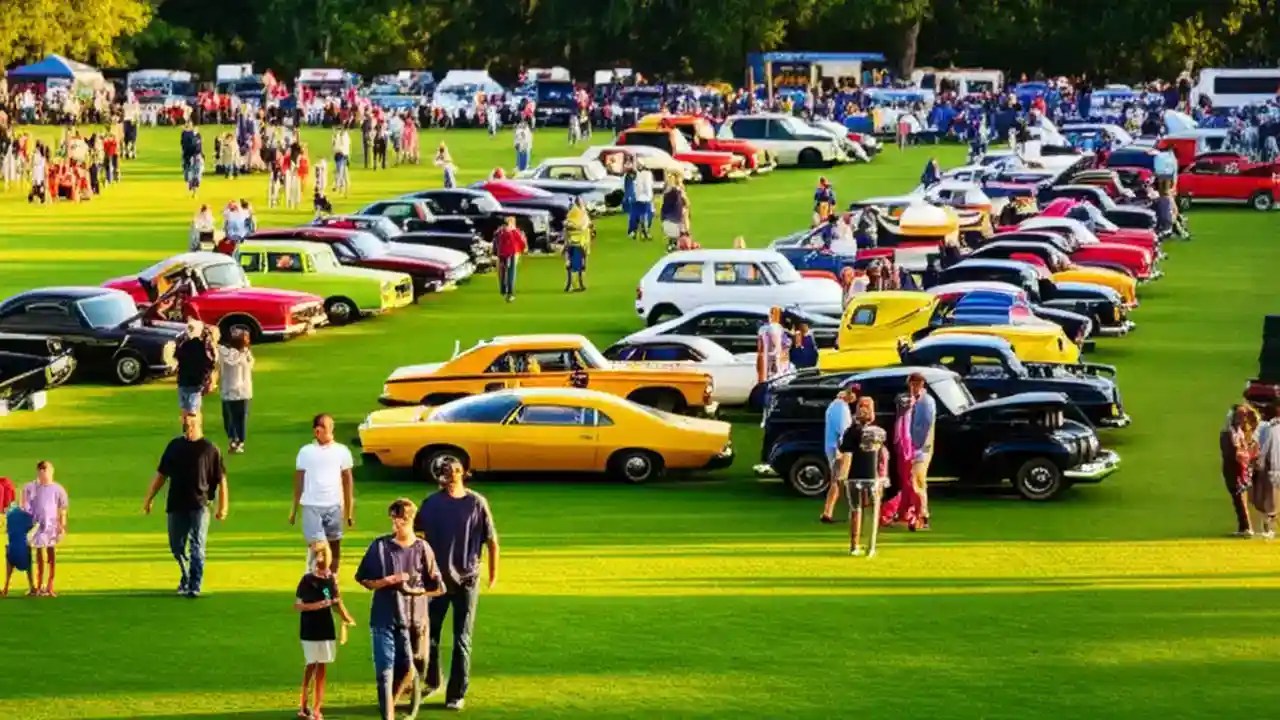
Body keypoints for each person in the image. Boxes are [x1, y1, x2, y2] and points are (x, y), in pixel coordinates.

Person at [414, 459, 499, 712]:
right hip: (436, 582)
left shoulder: (476, 504)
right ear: (441, 477)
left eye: (455, 473)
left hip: (467, 581)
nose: (451, 478)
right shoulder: (431, 504)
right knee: (429, 636)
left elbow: (492, 541)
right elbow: (417, 539)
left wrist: (492, 575)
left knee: (462, 639)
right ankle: (433, 681)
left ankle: (456, 694)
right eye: (446, 474)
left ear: (463, 474)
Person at [355, 499, 444, 720]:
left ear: (410, 520)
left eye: (400, 520)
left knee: (412, 668)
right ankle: (389, 713)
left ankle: (400, 707)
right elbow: (364, 579)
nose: (395, 525)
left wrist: (414, 591)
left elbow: (438, 588)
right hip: (384, 617)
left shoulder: (423, 549)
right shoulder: (380, 547)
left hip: (415, 619)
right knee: (385, 671)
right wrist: (387, 581)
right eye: (393, 520)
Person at [143, 413, 229, 598]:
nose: (187, 422)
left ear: (199, 422)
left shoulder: (210, 449)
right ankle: (186, 575)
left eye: (191, 419)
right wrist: (149, 498)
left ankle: (194, 585)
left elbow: (221, 480)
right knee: (176, 545)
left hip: (200, 504)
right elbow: (161, 475)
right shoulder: (174, 447)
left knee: (197, 545)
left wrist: (223, 506)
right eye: (185, 419)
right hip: (176, 503)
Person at [295, 540, 356, 720]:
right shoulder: (306, 580)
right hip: (309, 629)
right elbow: (298, 606)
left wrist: (346, 618)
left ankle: (316, 708)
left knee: (322, 668)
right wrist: (318, 605)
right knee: (310, 666)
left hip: (326, 628)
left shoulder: (329, 580)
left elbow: (335, 601)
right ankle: (303, 705)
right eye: (319, 556)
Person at [291, 413, 356, 572]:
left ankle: (332, 581)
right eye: (327, 428)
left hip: (334, 506)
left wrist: (349, 511)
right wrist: (294, 510)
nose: (331, 432)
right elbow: (299, 481)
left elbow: (347, 481)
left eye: (332, 428)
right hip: (312, 506)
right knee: (318, 547)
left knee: (334, 544)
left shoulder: (342, 451)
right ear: (317, 431)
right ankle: (313, 578)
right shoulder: (306, 452)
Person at [837, 396, 889, 556]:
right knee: (874, 510)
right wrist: (884, 475)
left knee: (855, 509)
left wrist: (841, 476)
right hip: (873, 476)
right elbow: (883, 455)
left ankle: (854, 545)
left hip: (854, 476)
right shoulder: (879, 432)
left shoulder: (851, 432)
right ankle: (871, 547)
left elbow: (846, 454)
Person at [21, 461, 68, 597]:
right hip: (38, 527)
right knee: (40, 556)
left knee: (51, 556)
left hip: (52, 526)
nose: (43, 475)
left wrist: (62, 525)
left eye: (45, 471)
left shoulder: (58, 489)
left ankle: (50, 586)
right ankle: (39, 585)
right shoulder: (32, 487)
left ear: (51, 472)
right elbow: (26, 505)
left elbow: (62, 509)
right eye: (40, 472)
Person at [880, 393, 923, 530]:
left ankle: (905, 514)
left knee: (908, 486)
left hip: (906, 455)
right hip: (906, 455)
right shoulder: (904, 420)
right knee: (909, 486)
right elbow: (901, 440)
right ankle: (908, 515)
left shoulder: (903, 419)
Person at [1222, 404, 1260, 537]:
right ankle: (1243, 527)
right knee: (1239, 499)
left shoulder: (1232, 433)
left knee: (1239, 499)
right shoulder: (1238, 432)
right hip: (1239, 469)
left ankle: (1246, 528)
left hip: (1236, 470)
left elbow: (1234, 453)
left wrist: (1244, 456)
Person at [819, 388, 855, 523]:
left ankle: (829, 512)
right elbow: (843, 431)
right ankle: (829, 512)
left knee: (838, 481)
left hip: (832, 447)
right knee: (839, 480)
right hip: (839, 449)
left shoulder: (834, 405)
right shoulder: (841, 408)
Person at [217, 328, 254, 454]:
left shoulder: (244, 353)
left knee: (237, 418)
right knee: (233, 418)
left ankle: (237, 441)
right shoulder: (229, 353)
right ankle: (235, 440)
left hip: (238, 391)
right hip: (233, 391)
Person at [907, 372, 936, 530]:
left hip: (921, 449)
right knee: (917, 482)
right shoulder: (916, 401)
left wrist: (914, 446)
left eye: (916, 384)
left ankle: (922, 516)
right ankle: (919, 514)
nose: (913, 387)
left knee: (917, 482)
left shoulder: (926, 403)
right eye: (911, 384)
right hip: (917, 449)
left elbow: (923, 427)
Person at [175, 319, 216, 418]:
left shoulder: (182, 344)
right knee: (193, 411)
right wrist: (208, 378)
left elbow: (176, 357)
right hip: (196, 382)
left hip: (183, 380)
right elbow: (210, 362)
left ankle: (187, 431)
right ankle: (193, 432)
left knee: (185, 409)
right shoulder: (203, 346)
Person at [1250, 404, 1280, 538]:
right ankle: (1271, 524)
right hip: (1273, 468)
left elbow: (1265, 447)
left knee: (1269, 501)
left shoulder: (1270, 429)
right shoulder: (1269, 428)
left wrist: (1259, 463)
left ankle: (1269, 528)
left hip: (1273, 469)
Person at [3, 493, 35, 597]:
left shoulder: (10, 514)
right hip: (23, 553)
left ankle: (6, 587)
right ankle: (32, 586)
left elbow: (8, 530)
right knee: (27, 549)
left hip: (12, 552)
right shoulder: (28, 515)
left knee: (9, 548)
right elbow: (31, 527)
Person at [494, 216, 527, 302]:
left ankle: (503, 289)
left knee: (502, 272)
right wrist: (523, 249)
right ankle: (510, 293)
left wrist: (495, 252)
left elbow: (496, 242)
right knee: (511, 273)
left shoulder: (500, 231)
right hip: (511, 253)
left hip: (502, 254)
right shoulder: (514, 231)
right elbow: (521, 241)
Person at [563, 197, 591, 292]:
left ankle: (575, 284)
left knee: (574, 265)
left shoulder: (574, 214)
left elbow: (567, 227)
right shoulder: (580, 214)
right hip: (578, 243)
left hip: (574, 243)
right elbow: (583, 227)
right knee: (577, 265)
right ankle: (575, 285)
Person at [660, 174, 690, 251]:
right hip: (672, 220)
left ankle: (673, 245)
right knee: (676, 235)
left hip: (672, 219)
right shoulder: (674, 192)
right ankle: (674, 246)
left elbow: (686, 204)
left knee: (676, 236)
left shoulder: (676, 192)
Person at [629, 162, 655, 241]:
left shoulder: (637, 174)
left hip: (636, 198)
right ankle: (644, 233)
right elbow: (647, 186)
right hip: (645, 198)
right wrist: (650, 196)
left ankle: (635, 232)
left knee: (636, 215)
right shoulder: (647, 174)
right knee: (646, 215)